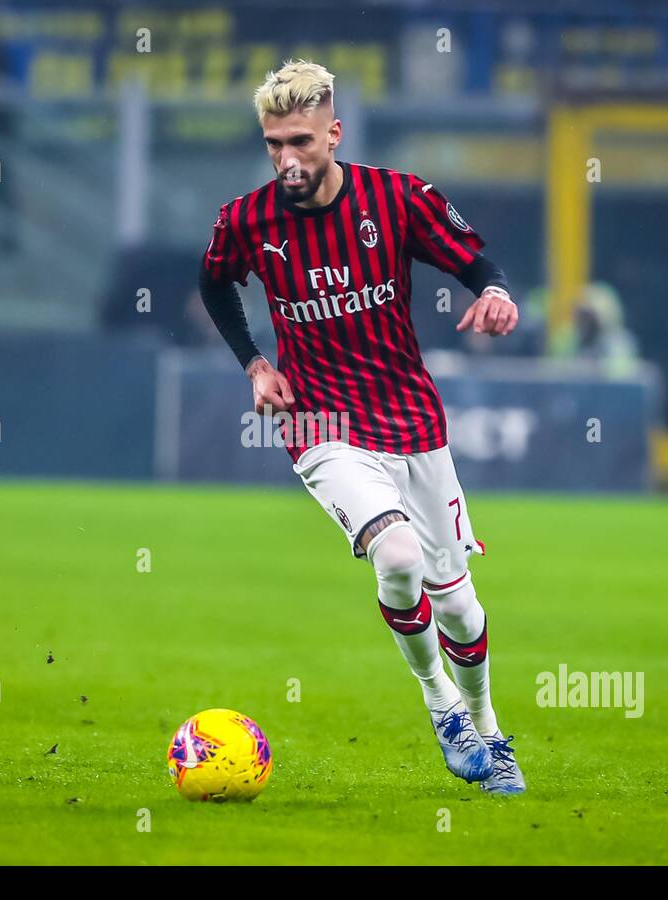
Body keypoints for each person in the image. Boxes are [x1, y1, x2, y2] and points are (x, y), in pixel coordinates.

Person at [197, 61, 524, 794]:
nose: (287, 160)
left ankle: (490, 731)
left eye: (301, 142)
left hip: (411, 419)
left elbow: (475, 261)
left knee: (462, 610)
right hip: (321, 422)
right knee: (398, 556)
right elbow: (214, 281)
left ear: (334, 134)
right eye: (274, 144)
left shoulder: (398, 199)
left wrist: (497, 293)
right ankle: (441, 706)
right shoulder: (245, 220)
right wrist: (253, 364)